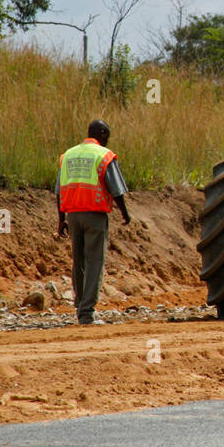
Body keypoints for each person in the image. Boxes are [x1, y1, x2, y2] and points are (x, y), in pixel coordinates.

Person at [56, 119, 131, 325]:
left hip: (73, 215)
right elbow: (116, 189)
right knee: (94, 262)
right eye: (107, 135)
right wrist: (125, 213)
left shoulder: (68, 155)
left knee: (78, 262)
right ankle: (87, 313)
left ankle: (80, 306)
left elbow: (59, 191)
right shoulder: (104, 156)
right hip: (95, 216)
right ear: (102, 134)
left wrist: (61, 220)